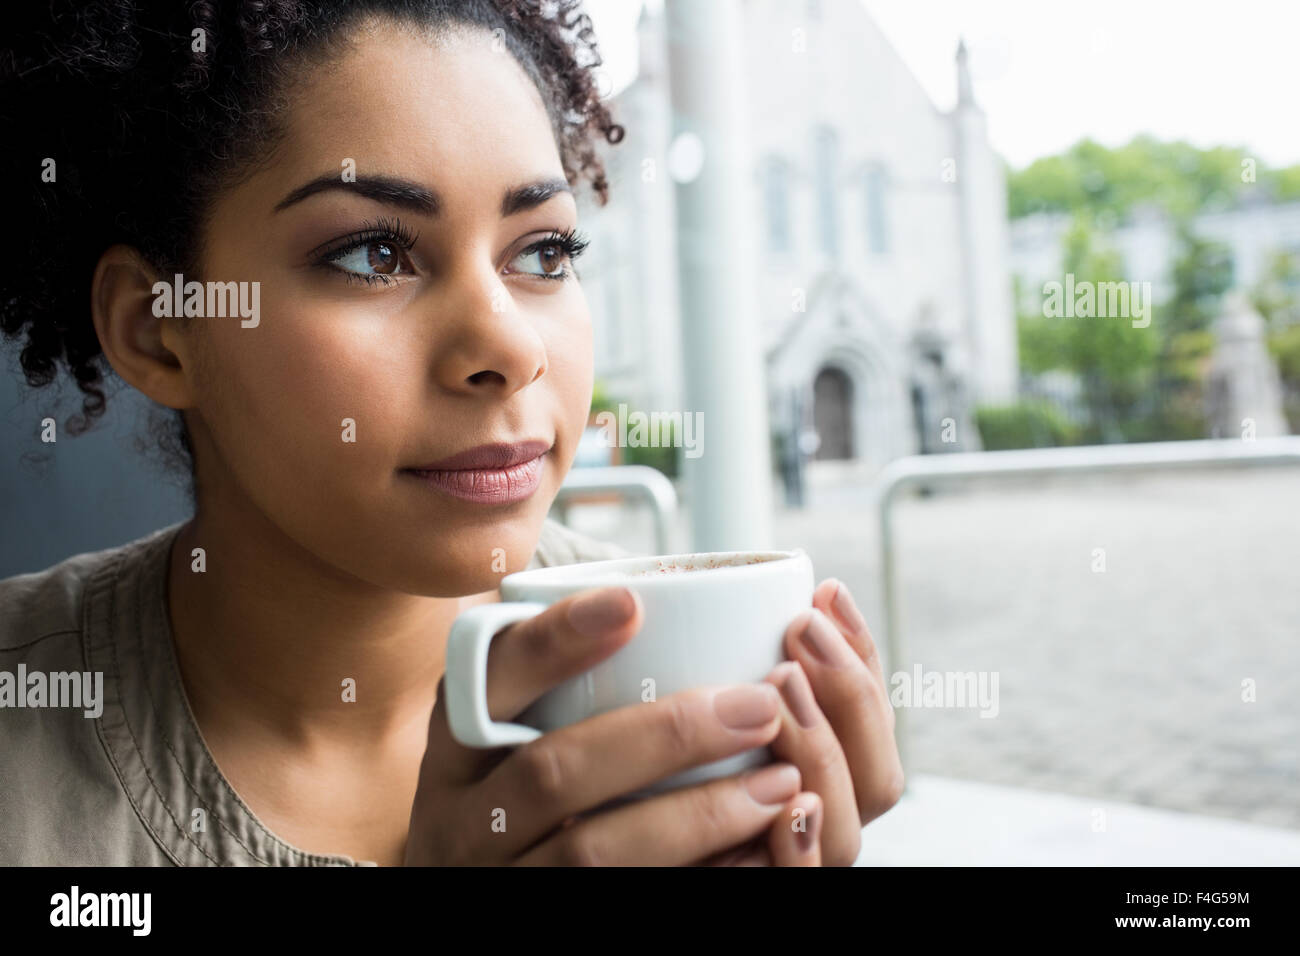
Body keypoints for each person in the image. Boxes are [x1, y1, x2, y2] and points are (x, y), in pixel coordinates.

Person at [0, 0, 901, 866]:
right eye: (373, 256)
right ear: (158, 327)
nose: (509, 345)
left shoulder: (687, 676)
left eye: (545, 252)